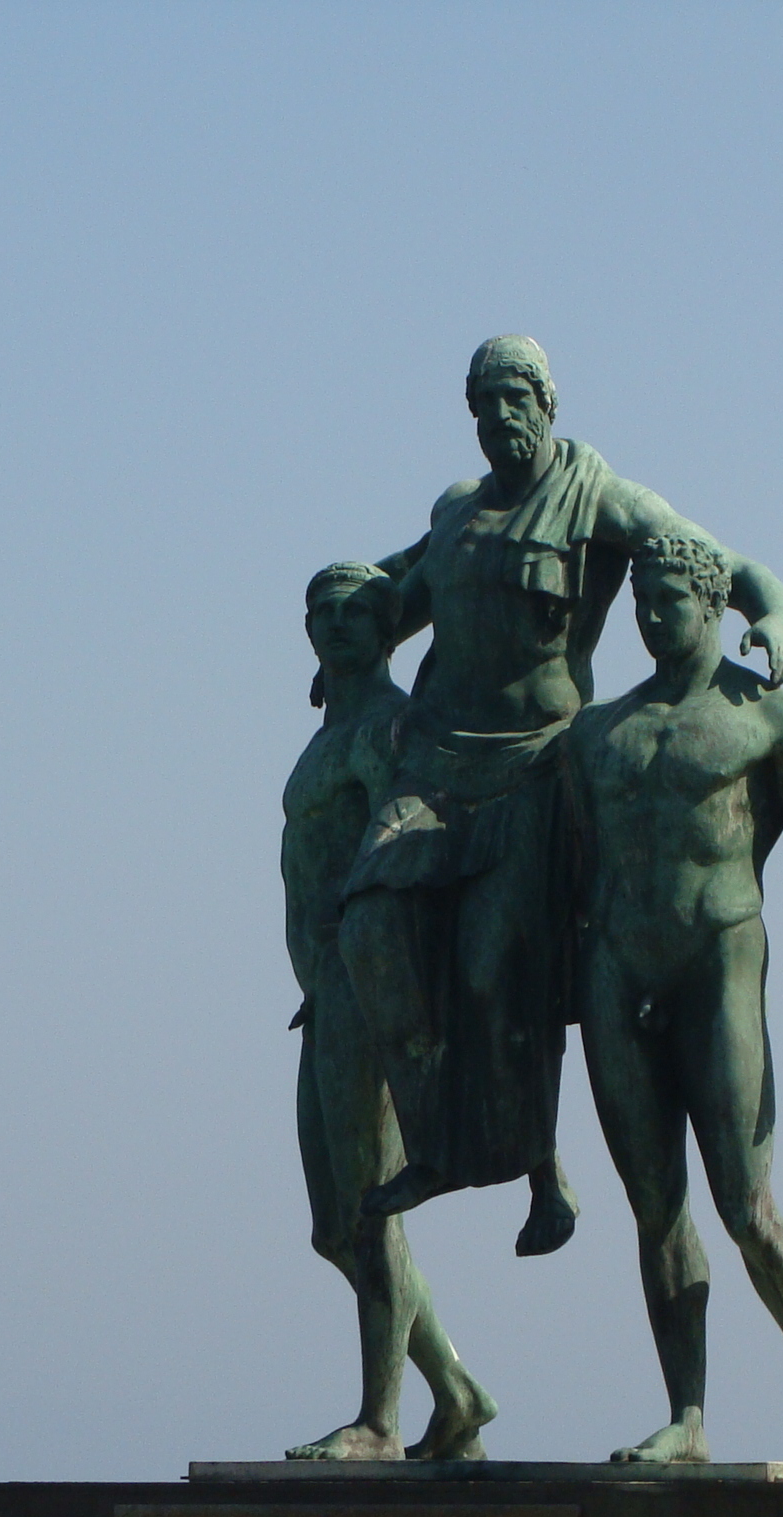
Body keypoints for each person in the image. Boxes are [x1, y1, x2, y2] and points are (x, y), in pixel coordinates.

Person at [338, 336, 783, 1258]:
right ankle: (433, 1142)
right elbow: (401, 590)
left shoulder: (598, 497)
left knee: (493, 961)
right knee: (370, 930)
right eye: (482, 404)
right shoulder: (457, 512)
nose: (498, 418)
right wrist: (344, 629)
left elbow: (720, 562)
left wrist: (772, 613)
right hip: (434, 760)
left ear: (548, 403)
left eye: (515, 399)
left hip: (536, 767)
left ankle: (541, 1171)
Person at [562, 534, 783, 1463]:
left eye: (669, 603)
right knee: (655, 1208)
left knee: (746, 1207)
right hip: (617, 972)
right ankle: (687, 1416)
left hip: (719, 963)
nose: (652, 619)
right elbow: (570, 871)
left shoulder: (774, 719)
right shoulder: (597, 732)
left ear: (712, 604)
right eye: (641, 603)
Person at [278, 562, 495, 1461]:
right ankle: (457, 1389)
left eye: (358, 612)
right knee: (335, 1226)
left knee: (372, 1214)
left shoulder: (388, 730)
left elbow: (408, 849)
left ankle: (382, 1421)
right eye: (322, 612)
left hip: (370, 991)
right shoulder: (324, 740)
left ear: (388, 628)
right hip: (321, 995)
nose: (338, 624)